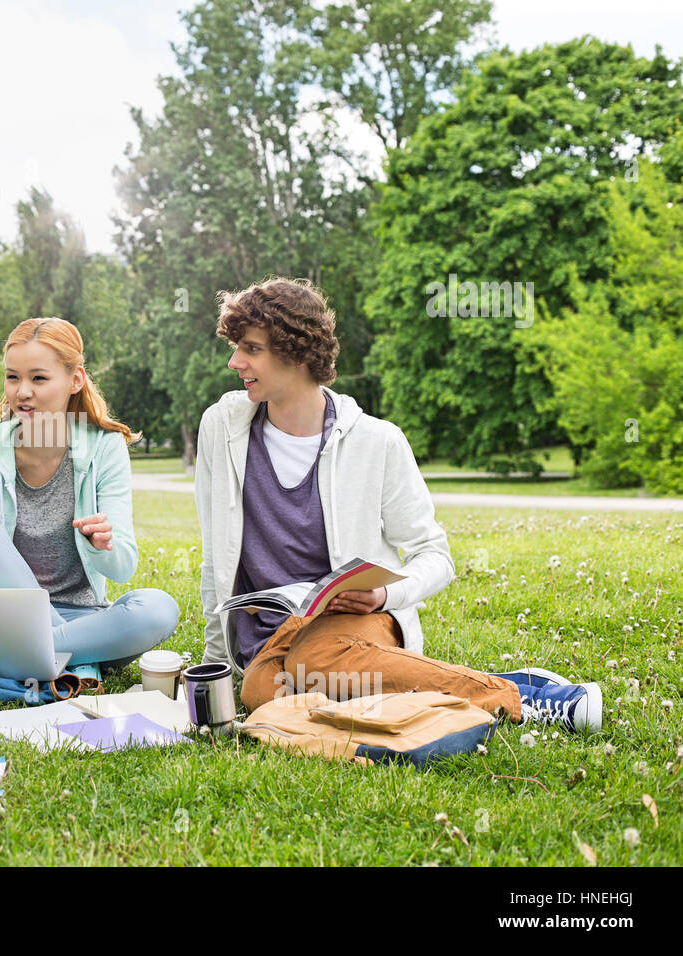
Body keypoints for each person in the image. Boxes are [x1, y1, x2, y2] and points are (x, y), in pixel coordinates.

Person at [195, 277, 601, 732]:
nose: (235, 361)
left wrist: (383, 595)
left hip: (353, 624)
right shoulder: (222, 428)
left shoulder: (377, 441)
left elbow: (435, 555)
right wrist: (214, 666)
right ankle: (473, 686)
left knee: (316, 661)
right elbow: (217, 558)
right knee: (259, 693)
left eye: (251, 348)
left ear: (298, 353)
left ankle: (521, 699)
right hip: (271, 639)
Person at [0, 318, 179, 680]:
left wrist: (101, 545)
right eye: (13, 377)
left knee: (158, 609)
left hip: (84, 620)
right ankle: (72, 659)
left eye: (38, 378)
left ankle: (23, 653)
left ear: (76, 380)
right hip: (4, 614)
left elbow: (123, 567)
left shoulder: (104, 448)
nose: (22, 391)